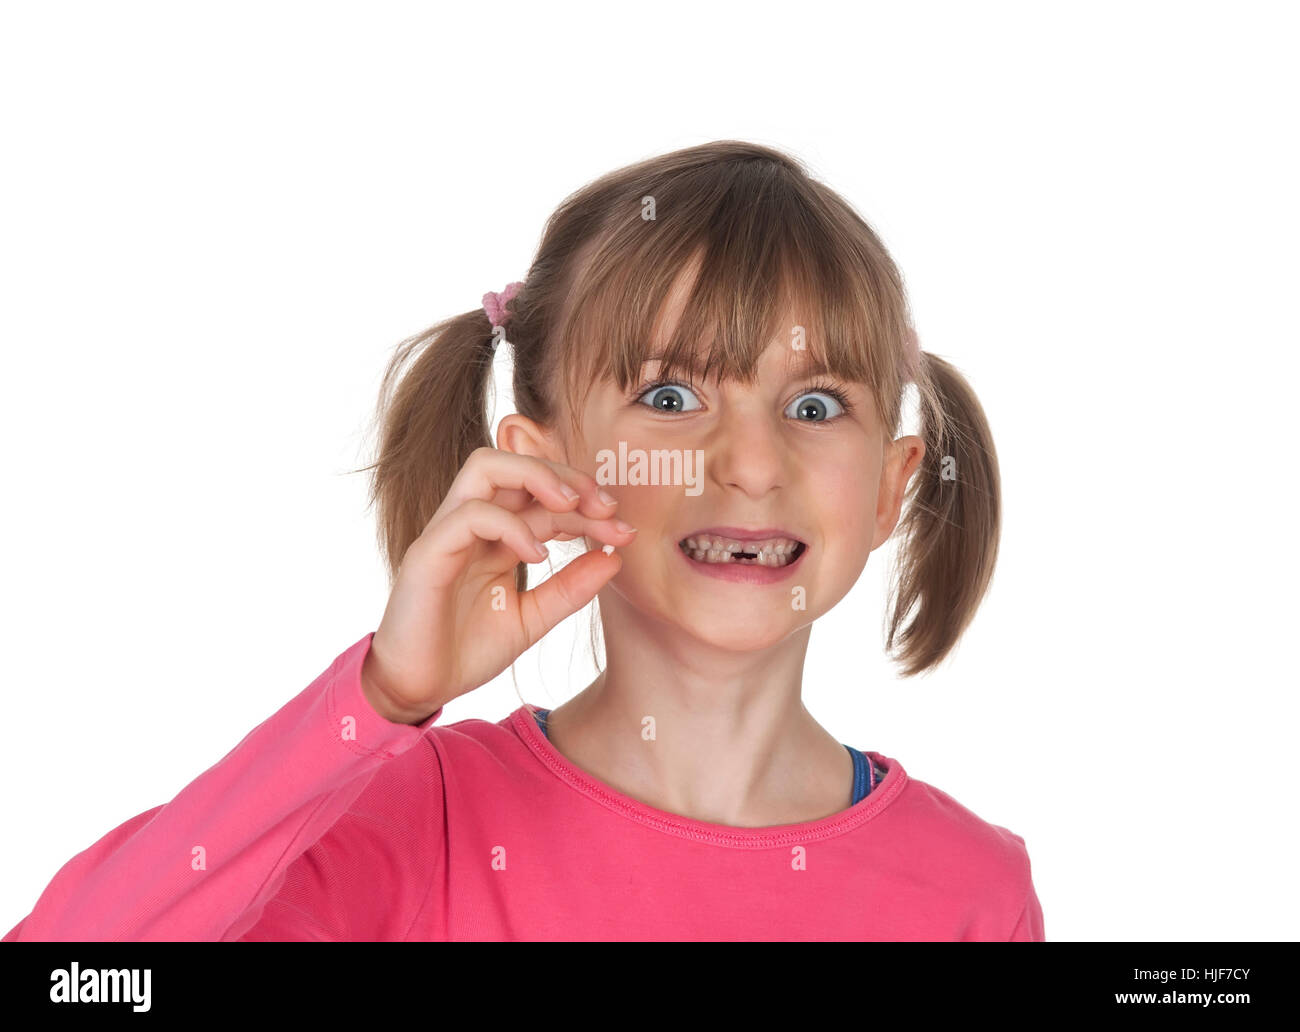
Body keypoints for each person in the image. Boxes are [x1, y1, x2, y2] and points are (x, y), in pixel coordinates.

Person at [3, 140, 1043, 941]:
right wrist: (379, 701)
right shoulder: (416, 823)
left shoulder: (972, 891)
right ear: (547, 464)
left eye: (815, 407)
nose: (754, 463)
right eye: (671, 395)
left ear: (888, 489)